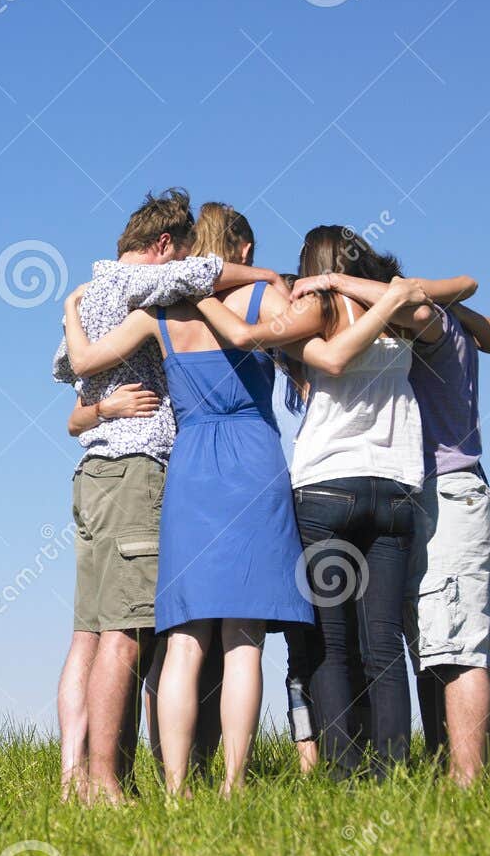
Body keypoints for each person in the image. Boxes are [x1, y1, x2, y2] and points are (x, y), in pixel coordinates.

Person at [64, 208, 312, 798]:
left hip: (191, 464)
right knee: (244, 639)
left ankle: (175, 790)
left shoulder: (160, 315)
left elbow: (84, 363)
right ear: (239, 252)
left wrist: (72, 312)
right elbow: (309, 347)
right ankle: (232, 782)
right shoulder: (262, 298)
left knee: (183, 638)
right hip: (254, 456)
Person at [193, 228, 444, 778]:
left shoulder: (313, 310)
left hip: (326, 487)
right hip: (396, 485)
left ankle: (340, 772)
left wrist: (202, 292)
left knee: (330, 639)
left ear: (312, 268)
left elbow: (256, 337)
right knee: (383, 639)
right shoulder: (401, 312)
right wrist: (385, 292)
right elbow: (452, 294)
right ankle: (393, 771)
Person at [290, 271, 490, 785]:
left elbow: (429, 299)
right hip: (437, 492)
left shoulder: (427, 319)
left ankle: (466, 782)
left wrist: (333, 281)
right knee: (436, 643)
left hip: (446, 491)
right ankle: (447, 766)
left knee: (456, 648)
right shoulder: (454, 322)